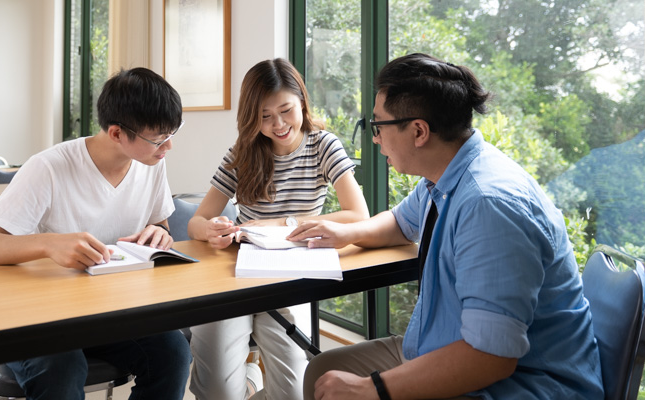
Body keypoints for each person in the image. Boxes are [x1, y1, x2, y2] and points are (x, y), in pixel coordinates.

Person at [291, 53, 604, 400]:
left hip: (522, 382)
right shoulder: (446, 174)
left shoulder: (489, 205)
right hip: (451, 344)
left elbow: (491, 358)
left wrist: (372, 389)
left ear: (419, 131)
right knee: (321, 372)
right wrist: (346, 233)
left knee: (343, 389)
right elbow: (400, 221)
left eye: (378, 126)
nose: (375, 139)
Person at [0, 67, 192, 400]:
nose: (168, 145)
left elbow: (159, 221)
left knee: (174, 353)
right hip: (38, 314)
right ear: (116, 134)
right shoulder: (49, 168)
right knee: (62, 370)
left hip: (108, 310)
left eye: (173, 132)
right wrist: (48, 244)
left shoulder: (151, 161)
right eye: (158, 137)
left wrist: (158, 232)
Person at [187, 58, 370, 400]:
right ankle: (251, 378)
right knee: (217, 392)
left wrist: (280, 223)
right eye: (265, 116)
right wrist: (210, 229)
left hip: (292, 275)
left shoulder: (322, 145)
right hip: (236, 274)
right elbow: (196, 221)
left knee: (292, 393)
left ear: (301, 100)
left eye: (286, 110)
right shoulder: (241, 153)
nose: (279, 124)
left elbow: (358, 215)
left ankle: (252, 379)